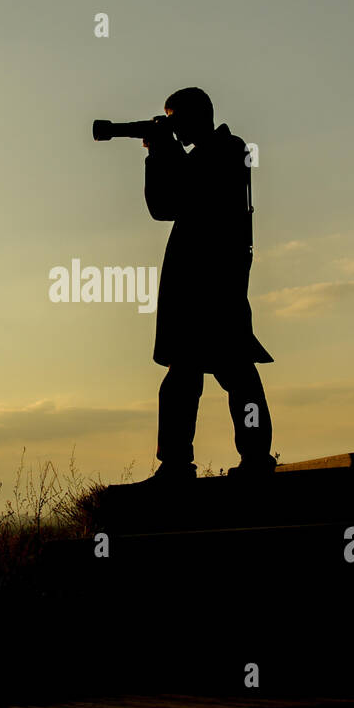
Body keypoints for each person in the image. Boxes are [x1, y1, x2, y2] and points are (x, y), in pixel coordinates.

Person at [140, 86, 275, 485]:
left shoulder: (229, 150)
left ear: (198, 116)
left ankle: (252, 458)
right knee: (187, 379)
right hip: (196, 285)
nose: (172, 126)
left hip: (215, 284)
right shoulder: (202, 155)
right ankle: (179, 463)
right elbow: (162, 207)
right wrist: (157, 152)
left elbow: (187, 193)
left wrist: (164, 151)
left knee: (234, 374)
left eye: (175, 118)